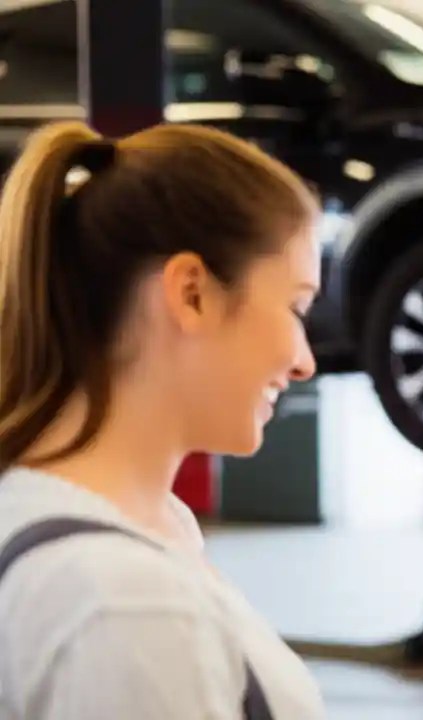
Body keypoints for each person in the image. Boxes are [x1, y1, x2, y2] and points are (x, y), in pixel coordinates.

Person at [0, 120, 325, 719]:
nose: (304, 361)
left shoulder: (114, 530)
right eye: (295, 306)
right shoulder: (126, 605)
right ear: (192, 293)